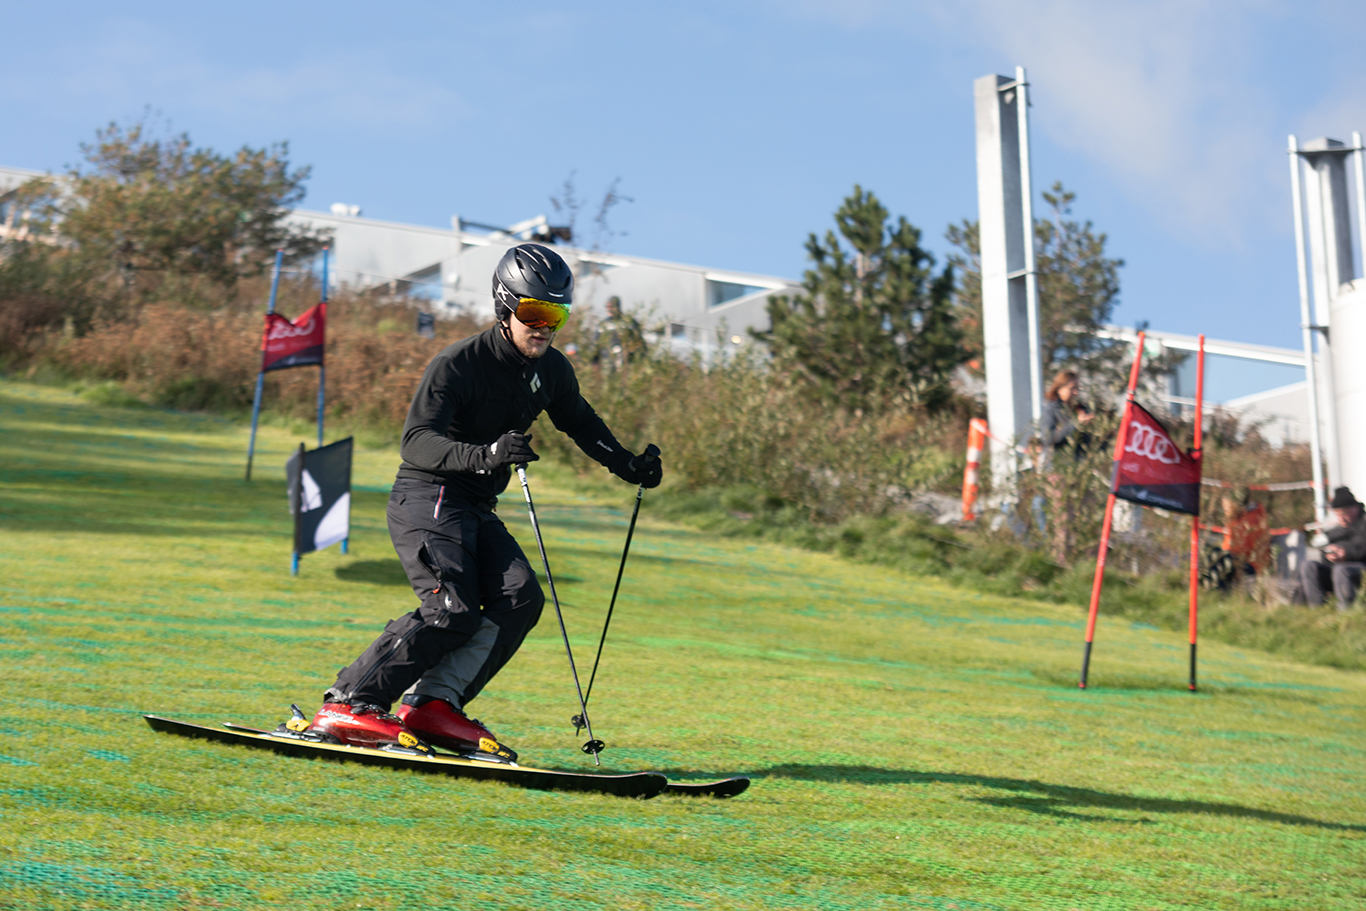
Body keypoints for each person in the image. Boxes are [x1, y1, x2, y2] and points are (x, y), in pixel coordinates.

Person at [302, 244, 663, 758]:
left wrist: (628, 465)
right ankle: (350, 702)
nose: (544, 326)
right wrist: (486, 453)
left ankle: (432, 705)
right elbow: (415, 441)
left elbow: (579, 422)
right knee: (451, 607)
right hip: (427, 494)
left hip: (474, 503)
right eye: (533, 312)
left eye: (556, 314)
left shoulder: (552, 370)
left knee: (521, 598)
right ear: (504, 305)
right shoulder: (458, 364)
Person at [1300, 486, 1366, 611]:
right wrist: (1330, 556)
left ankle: (1346, 613)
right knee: (1308, 566)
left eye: (1344, 513)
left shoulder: (1364, 525)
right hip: (1339, 572)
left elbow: (1362, 548)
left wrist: (1347, 553)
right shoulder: (1335, 531)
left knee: (1341, 569)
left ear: (1355, 508)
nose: (1341, 518)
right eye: (1337, 514)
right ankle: (1317, 610)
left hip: (1361, 571)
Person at [592, 295, 646, 369]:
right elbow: (596, 343)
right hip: (608, 363)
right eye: (607, 307)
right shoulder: (604, 325)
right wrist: (595, 360)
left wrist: (640, 359)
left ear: (617, 307)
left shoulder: (629, 322)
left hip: (627, 362)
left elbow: (639, 341)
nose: (609, 309)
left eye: (611, 307)